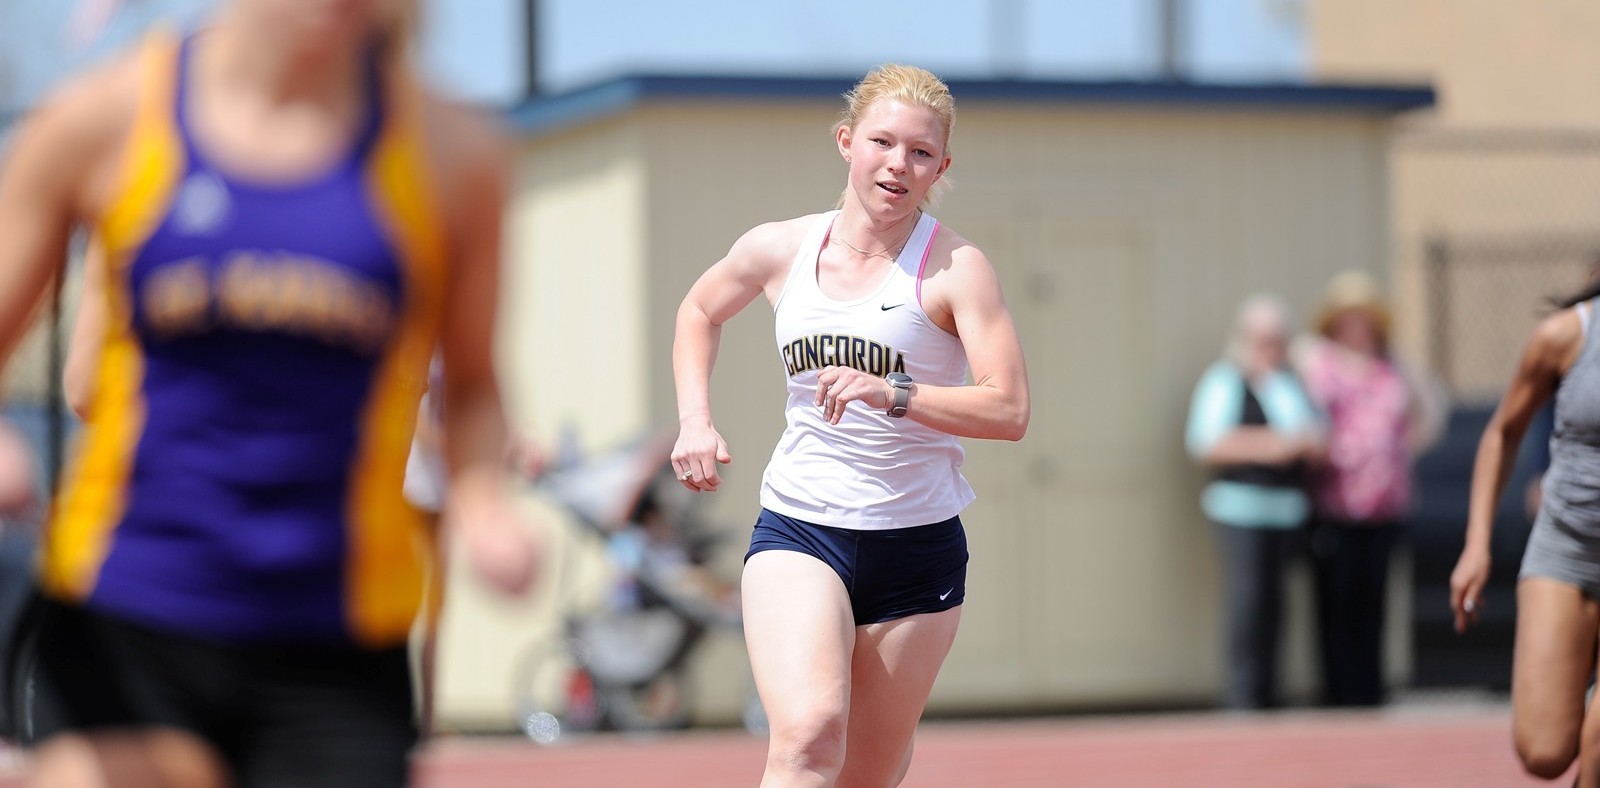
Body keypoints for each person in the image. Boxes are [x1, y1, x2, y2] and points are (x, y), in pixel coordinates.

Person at [0, 0, 539, 784]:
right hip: (131, 605)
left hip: (337, 635)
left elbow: (477, 383)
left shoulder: (454, 156)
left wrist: (485, 500)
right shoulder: (102, 120)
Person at [671, 64, 1029, 787]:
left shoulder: (956, 269)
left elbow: (1008, 409)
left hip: (917, 545)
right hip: (801, 526)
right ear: (847, 143)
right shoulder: (781, 249)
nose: (899, 164)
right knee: (806, 738)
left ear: (941, 167)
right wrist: (694, 422)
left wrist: (894, 392)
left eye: (921, 152)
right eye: (883, 142)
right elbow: (699, 311)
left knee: (864, 773)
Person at [1451, 273, 1600, 783]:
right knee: (1544, 751)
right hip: (1568, 548)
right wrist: (1477, 545)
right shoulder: (1567, 335)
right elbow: (1503, 431)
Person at [1297, 270, 1440, 707]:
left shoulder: (1391, 365)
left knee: (1374, 601)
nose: (1357, 327)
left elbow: (1430, 409)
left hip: (1386, 504)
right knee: (1336, 603)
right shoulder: (1317, 361)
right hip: (1336, 502)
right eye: (1348, 318)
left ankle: (1370, 689)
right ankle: (1338, 691)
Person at [1185, 294, 1323, 710]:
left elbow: (1317, 435)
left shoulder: (1293, 382)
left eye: (1277, 339)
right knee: (1247, 600)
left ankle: (1270, 692)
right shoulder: (1225, 379)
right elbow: (1205, 441)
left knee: (1277, 605)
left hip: (1287, 512)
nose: (1270, 347)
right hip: (1240, 508)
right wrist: (1272, 446)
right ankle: (1242, 695)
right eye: (1262, 339)